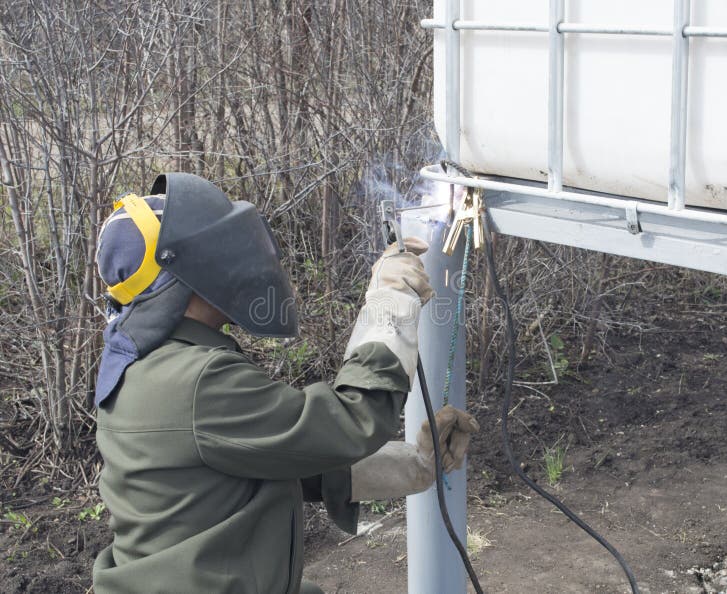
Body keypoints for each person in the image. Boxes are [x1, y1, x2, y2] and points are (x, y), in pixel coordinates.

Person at [91, 173, 479, 594]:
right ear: (181, 277)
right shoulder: (196, 382)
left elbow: (270, 461)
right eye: (215, 253)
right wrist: (391, 296)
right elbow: (355, 417)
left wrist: (414, 465)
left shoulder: (147, 364)